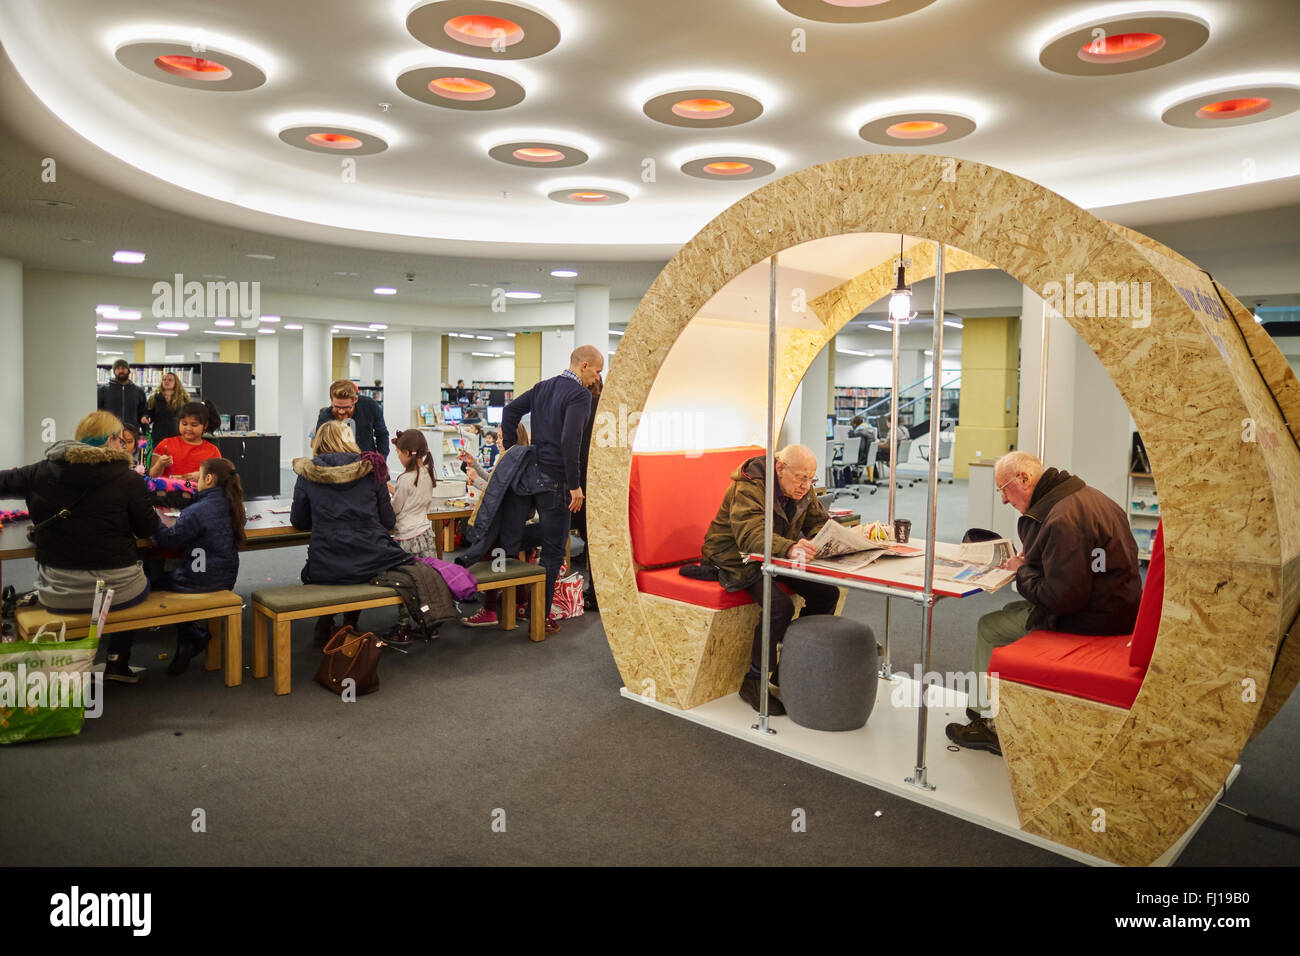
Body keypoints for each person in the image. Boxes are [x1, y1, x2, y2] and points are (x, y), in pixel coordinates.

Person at [945, 451, 1142, 755]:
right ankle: (994, 705)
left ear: (1024, 479)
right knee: (1011, 612)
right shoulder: (1089, 498)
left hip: (1089, 620)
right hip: (1116, 608)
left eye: (1004, 490)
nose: (1004, 501)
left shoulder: (1062, 519)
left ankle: (990, 724)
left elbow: (1061, 599)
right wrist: (1034, 564)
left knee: (990, 627)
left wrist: (1021, 571)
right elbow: (1083, 567)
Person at [0, 410, 158, 682]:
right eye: (121, 440)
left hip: (57, 592)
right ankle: (118, 659)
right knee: (152, 573)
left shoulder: (39, 471)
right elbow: (148, 530)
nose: (123, 446)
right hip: (117, 591)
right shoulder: (129, 479)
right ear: (111, 440)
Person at [700, 444, 841, 715]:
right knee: (780, 606)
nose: (805, 485)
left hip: (774, 555)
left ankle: (788, 667)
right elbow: (750, 537)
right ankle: (754, 680)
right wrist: (790, 547)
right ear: (779, 468)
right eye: (801, 477)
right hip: (733, 556)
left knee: (827, 594)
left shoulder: (801, 487)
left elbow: (817, 522)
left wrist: (839, 539)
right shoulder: (749, 487)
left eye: (811, 479)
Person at [500, 345, 602, 635]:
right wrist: (575, 486)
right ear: (583, 366)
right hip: (558, 481)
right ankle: (538, 618)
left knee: (541, 539)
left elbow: (510, 411)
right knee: (554, 553)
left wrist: (510, 451)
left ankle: (528, 609)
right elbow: (571, 442)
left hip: (534, 477)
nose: (596, 378)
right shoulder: (579, 394)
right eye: (596, 371)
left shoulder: (543, 387)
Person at [291, 420, 411, 644]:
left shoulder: (307, 472)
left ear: (319, 442)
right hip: (371, 560)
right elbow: (387, 520)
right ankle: (350, 623)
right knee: (360, 563)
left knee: (334, 568)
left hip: (325, 564)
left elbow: (298, 521)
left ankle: (326, 623)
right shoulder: (371, 468)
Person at [149, 457, 246, 675]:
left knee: (152, 582)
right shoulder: (234, 505)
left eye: (199, 476)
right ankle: (191, 635)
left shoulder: (199, 510)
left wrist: (153, 517)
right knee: (173, 577)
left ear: (209, 479)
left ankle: (192, 633)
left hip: (199, 580)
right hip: (226, 578)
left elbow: (170, 540)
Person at [387, 430, 438, 559]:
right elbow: (413, 495)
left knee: (411, 575)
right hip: (425, 533)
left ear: (406, 453)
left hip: (408, 537)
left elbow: (396, 508)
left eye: (398, 452)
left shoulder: (405, 478)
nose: (398, 456)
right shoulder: (427, 472)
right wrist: (392, 489)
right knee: (427, 572)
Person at [150, 400, 221, 481]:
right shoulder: (166, 444)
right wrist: (160, 464)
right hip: (167, 491)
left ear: (205, 425)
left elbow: (218, 480)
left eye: (194, 425)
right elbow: (152, 476)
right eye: (184, 424)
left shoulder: (212, 451)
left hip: (199, 493)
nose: (188, 428)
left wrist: (202, 476)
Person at [313, 379, 389, 454]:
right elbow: (320, 446)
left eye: (346, 407)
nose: (341, 411)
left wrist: (381, 459)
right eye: (337, 407)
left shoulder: (370, 406)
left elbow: (382, 434)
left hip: (366, 461)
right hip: (337, 463)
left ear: (355, 399)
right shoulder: (325, 417)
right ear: (331, 400)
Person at [97, 360, 149, 434]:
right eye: (118, 368)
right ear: (114, 371)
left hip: (131, 434)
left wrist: (147, 435)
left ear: (128, 370)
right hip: (109, 433)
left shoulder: (139, 391)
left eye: (123, 368)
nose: (121, 371)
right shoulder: (103, 390)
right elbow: (99, 412)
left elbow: (143, 412)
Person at [146, 371, 190, 443]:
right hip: (158, 437)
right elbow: (149, 414)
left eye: (170, 380)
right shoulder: (154, 398)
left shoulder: (183, 399)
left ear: (176, 383)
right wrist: (147, 417)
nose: (166, 381)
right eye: (164, 379)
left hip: (177, 436)